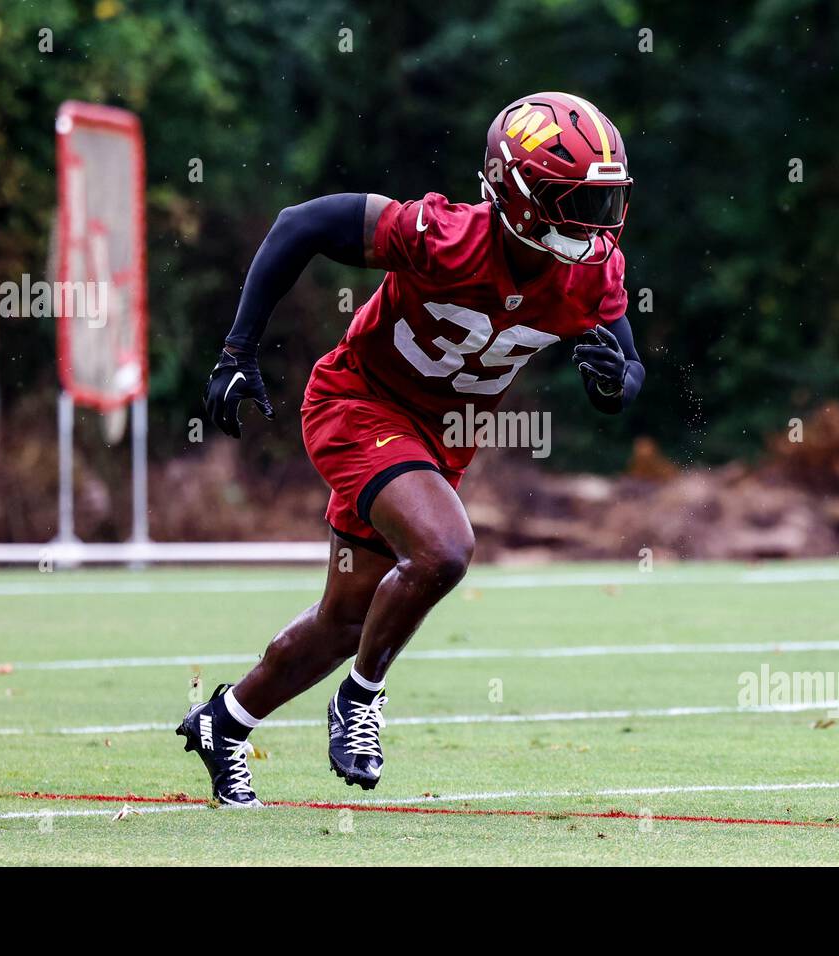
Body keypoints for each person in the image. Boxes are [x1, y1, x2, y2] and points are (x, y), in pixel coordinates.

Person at [176, 92, 645, 805]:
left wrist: (616, 382)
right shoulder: (443, 234)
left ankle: (225, 721)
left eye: (602, 204)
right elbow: (299, 225)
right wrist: (238, 347)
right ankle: (359, 701)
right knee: (445, 550)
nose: (591, 224)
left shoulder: (591, 272)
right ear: (514, 195)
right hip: (357, 405)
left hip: (437, 441)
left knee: (346, 621)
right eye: (571, 199)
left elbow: (629, 371)